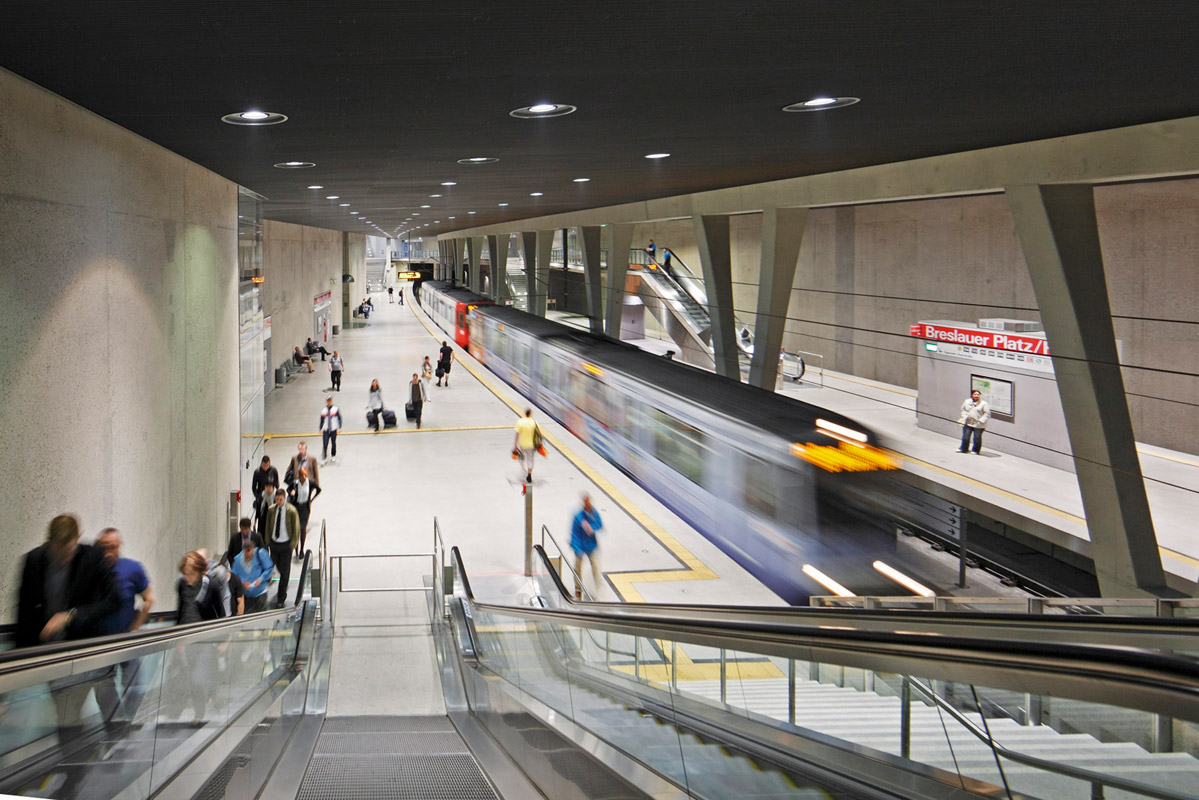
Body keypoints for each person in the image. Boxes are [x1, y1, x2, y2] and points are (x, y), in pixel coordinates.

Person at [16, 514, 118, 647]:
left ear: (78, 538)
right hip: (41, 647)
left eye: (69, 552)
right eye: (58, 553)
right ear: (48, 541)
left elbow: (114, 599)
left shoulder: (92, 558)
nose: (64, 560)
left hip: (81, 645)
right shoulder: (34, 560)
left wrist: (70, 616)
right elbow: (24, 611)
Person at [93, 527, 155, 727]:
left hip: (127, 640)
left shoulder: (132, 568)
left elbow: (149, 598)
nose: (108, 552)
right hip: (99, 643)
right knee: (103, 689)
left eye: (113, 547)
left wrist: (135, 627)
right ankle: (116, 726)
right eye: (104, 547)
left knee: (134, 686)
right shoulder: (91, 571)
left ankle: (129, 720)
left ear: (119, 547)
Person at [264, 488, 300, 607]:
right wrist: (267, 541)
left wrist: (292, 545)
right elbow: (268, 525)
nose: (278, 502)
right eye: (277, 499)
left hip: (285, 544)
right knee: (271, 567)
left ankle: (281, 597)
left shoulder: (291, 511)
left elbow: (296, 529)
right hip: (274, 544)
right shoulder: (271, 510)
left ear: (285, 498)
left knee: (284, 572)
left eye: (280, 499)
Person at [176, 551, 227, 623]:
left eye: (191, 574)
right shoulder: (182, 584)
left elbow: (221, 612)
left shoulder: (211, 585)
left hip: (204, 630)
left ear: (199, 572)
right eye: (185, 574)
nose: (187, 578)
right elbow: (180, 611)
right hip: (185, 629)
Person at [570, 494, 604, 600]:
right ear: (584, 503)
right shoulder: (578, 517)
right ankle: (578, 589)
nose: (589, 505)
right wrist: (577, 548)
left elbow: (599, 524)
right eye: (587, 503)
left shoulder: (594, 514)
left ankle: (597, 590)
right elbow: (574, 534)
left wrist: (592, 528)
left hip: (591, 546)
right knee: (577, 567)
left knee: (596, 567)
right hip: (580, 546)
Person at [230, 537, 273, 614]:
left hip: (261, 593)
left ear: (253, 549)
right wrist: (242, 582)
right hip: (247, 596)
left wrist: (261, 578)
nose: (249, 558)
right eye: (246, 556)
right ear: (244, 551)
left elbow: (269, 568)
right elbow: (233, 575)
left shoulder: (260, 554)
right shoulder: (238, 560)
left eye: (251, 555)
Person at [289, 465, 321, 556]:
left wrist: (311, 500)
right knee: (296, 529)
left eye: (305, 475)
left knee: (303, 528)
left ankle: (301, 549)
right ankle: (296, 549)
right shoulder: (295, 483)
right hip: (296, 507)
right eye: (302, 475)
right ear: (299, 476)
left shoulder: (310, 483)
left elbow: (318, 489)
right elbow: (288, 489)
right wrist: (292, 493)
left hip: (305, 508)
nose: (304, 477)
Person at [958, 389, 991, 454]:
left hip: (978, 424)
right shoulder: (967, 401)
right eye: (975, 394)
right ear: (972, 395)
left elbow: (987, 413)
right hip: (968, 422)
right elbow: (963, 409)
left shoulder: (984, 403)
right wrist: (964, 416)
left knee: (977, 438)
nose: (976, 396)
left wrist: (981, 420)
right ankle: (963, 449)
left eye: (978, 394)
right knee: (966, 436)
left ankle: (976, 450)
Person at [514, 408, 542, 484]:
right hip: (531, 445)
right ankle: (529, 474)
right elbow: (539, 433)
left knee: (521, 457)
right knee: (530, 459)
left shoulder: (520, 422)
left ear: (525, 413)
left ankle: (523, 468)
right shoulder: (534, 422)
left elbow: (517, 434)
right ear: (530, 414)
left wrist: (515, 445)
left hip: (522, 444)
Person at [320, 396, 342, 464]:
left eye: (329, 400)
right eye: (327, 400)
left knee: (333, 442)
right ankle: (324, 457)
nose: (328, 402)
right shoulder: (324, 411)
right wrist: (320, 428)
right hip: (326, 429)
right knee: (325, 443)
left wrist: (339, 428)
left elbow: (339, 418)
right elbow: (322, 420)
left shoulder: (335, 409)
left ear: (331, 401)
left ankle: (333, 455)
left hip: (333, 429)